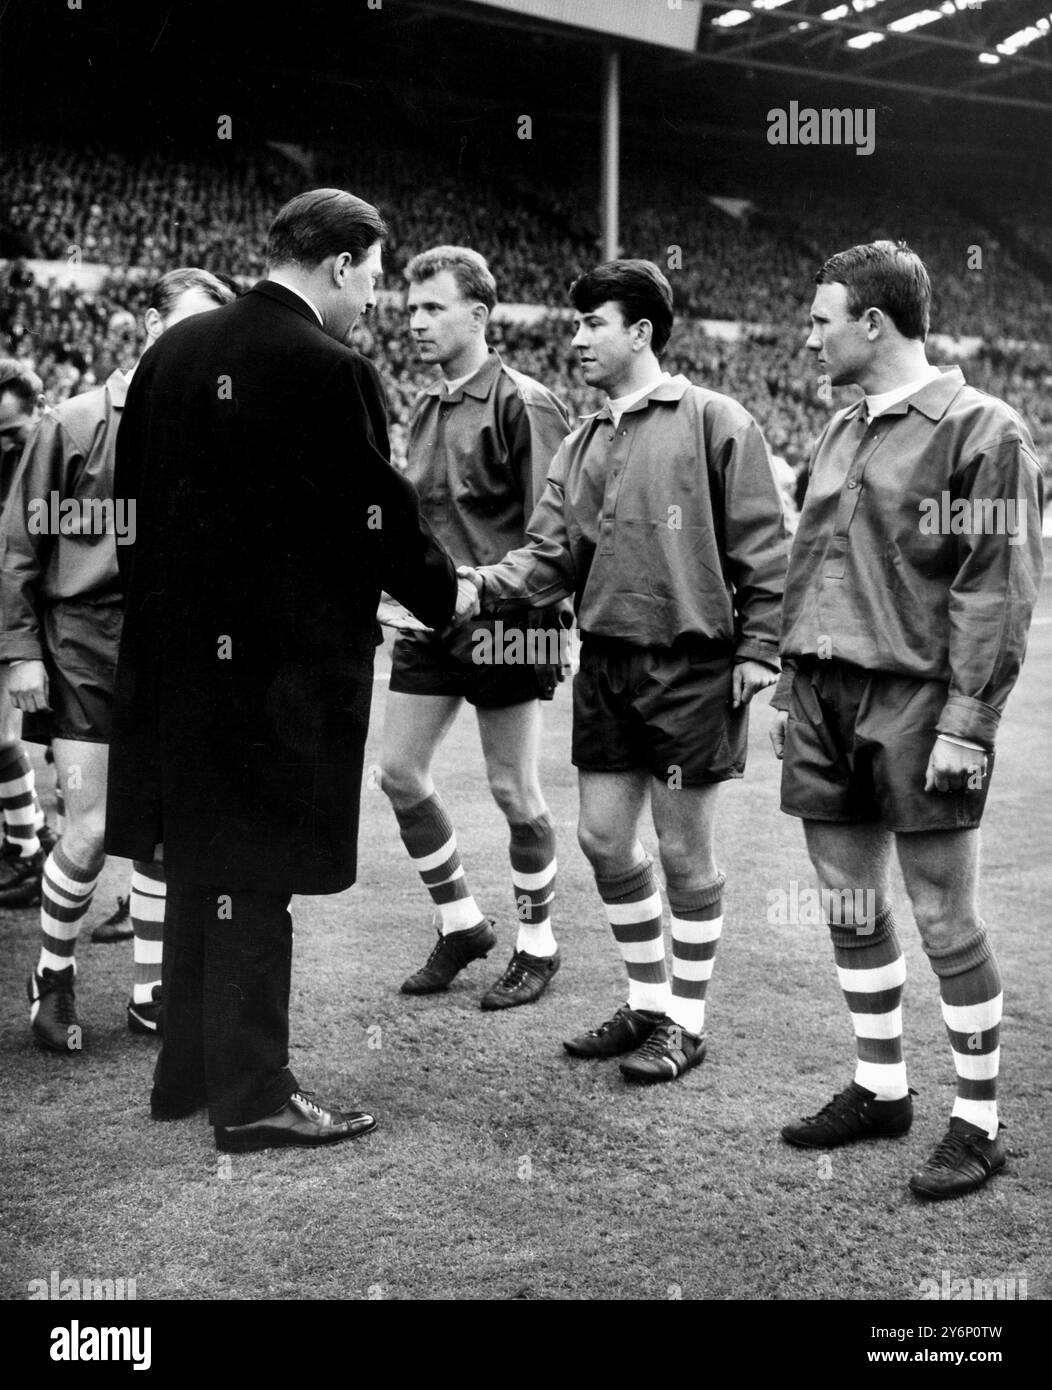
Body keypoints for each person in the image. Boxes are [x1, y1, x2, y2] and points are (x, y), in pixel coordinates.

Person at [105, 189, 478, 1152]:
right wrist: (447, 593)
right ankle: (255, 1094)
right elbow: (374, 512)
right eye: (376, 278)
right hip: (274, 679)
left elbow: (130, 511)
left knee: (198, 864)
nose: (374, 301)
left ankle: (187, 1073)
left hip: (176, 663)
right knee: (255, 877)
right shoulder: (326, 366)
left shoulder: (170, 356)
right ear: (344, 264)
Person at [463, 259, 788, 1082]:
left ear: (639, 333)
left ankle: (687, 1022)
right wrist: (469, 591)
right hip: (605, 664)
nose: (576, 340)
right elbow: (546, 559)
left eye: (591, 325)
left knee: (684, 856)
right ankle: (647, 1002)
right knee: (604, 839)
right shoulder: (581, 439)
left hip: (692, 667)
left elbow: (763, 551)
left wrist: (757, 652)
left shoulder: (717, 421)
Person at [770, 241, 1044, 1199]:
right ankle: (882, 1088)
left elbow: (996, 590)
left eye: (819, 320)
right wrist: (787, 682)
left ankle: (979, 1121)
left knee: (941, 915)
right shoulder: (842, 427)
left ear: (872, 323)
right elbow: (809, 564)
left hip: (921, 701)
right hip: (823, 696)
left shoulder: (985, 429)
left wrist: (969, 724)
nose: (807, 338)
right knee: (848, 902)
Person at [1, 270, 234, 1053]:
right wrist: (21, 653)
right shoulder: (69, 425)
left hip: (175, 648)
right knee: (93, 825)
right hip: (86, 644)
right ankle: (53, 977)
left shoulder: (208, 429)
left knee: (165, 830)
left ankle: (150, 990)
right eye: (187, 327)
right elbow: (17, 552)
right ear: (146, 322)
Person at [380, 246, 572, 1009]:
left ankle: (538, 944)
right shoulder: (425, 405)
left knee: (514, 791)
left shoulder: (525, 402)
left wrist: (489, 595)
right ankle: (462, 923)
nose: (415, 321)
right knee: (397, 772)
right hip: (433, 619)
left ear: (480, 315)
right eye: (411, 307)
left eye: (433, 308)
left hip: (509, 622)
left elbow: (555, 536)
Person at [0, 360, 57, 906]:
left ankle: (31, 846)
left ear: (40, 409)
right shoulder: (12, 457)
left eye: (10, 434)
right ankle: (28, 838)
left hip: (50, 627)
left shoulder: (61, 447)